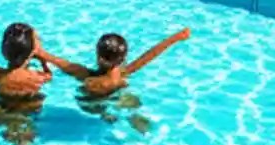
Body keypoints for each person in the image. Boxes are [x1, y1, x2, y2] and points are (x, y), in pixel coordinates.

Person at [37, 28, 190, 133]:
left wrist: (42, 53)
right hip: (113, 97)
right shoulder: (122, 74)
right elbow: (147, 57)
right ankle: (134, 120)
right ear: (123, 59)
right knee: (131, 101)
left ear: (98, 57)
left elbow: (65, 65)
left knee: (91, 98)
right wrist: (174, 38)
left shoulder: (90, 79)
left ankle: (107, 114)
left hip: (93, 105)